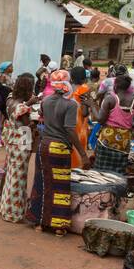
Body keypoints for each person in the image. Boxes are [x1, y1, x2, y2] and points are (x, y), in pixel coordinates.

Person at [25, 70, 83, 235]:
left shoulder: (46, 101)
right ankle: (58, 225)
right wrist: (82, 153)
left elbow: (41, 120)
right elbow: (70, 130)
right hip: (59, 148)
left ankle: (40, 223)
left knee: (42, 183)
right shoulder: (71, 105)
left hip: (44, 146)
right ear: (67, 84)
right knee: (60, 186)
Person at [0, 73, 36, 224]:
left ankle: (6, 208)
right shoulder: (22, 107)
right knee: (19, 178)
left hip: (12, 138)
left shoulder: (10, 100)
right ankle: (13, 212)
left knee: (11, 174)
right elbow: (28, 125)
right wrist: (30, 105)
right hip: (23, 138)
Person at [94, 73, 134, 175]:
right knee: (118, 171)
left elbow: (100, 120)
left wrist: (92, 104)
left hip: (107, 138)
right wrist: (125, 125)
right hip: (124, 139)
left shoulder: (111, 98)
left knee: (101, 170)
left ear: (115, 86)